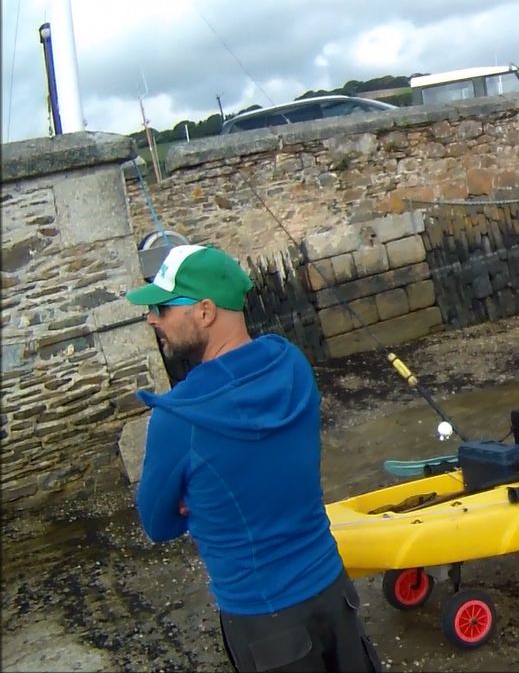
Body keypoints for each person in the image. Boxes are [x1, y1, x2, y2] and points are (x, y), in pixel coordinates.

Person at [127, 244, 381, 673]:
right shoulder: (292, 364)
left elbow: (159, 523)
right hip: (333, 589)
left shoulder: (177, 419)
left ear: (205, 311)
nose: (153, 318)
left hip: (265, 622)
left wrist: (200, 501)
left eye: (164, 307)